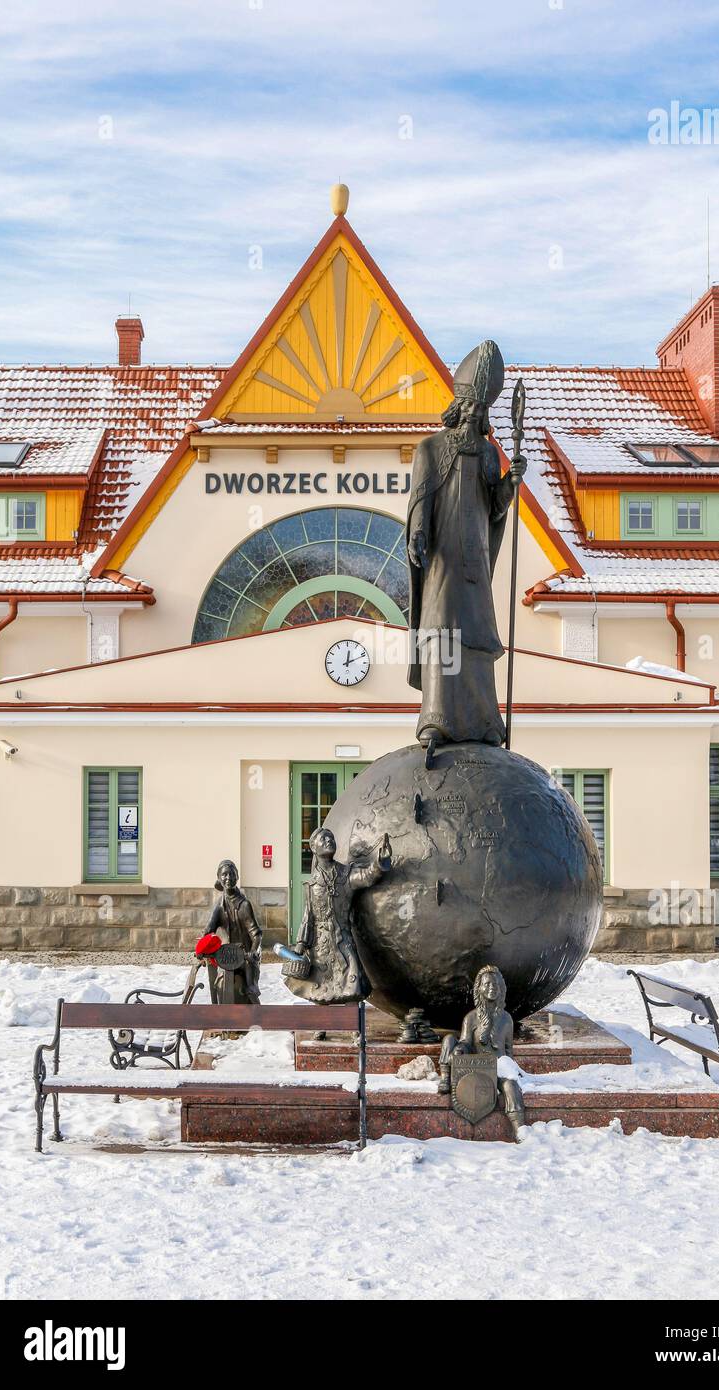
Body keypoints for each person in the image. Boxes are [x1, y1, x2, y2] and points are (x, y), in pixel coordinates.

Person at [406, 340, 526, 755]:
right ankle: (436, 720)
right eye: (469, 409)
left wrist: (509, 486)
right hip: (442, 561)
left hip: (474, 557)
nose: (474, 415)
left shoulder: (491, 457)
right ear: (457, 408)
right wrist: (418, 534)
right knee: (441, 634)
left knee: (476, 637)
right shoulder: (430, 449)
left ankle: (484, 721)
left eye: (480, 411)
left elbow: (494, 510)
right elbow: (420, 500)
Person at [283, 828, 391, 1004]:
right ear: (313, 848)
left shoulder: (346, 874)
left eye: (331, 838)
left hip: (343, 938)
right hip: (320, 943)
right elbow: (307, 917)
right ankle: (322, 1027)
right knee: (319, 986)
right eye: (323, 838)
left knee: (352, 980)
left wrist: (380, 862)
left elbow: (367, 876)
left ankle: (355, 1026)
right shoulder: (311, 884)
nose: (328, 841)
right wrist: (301, 945)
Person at [438, 963, 525, 1136]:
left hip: (498, 1067)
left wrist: (511, 1070)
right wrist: (460, 1049)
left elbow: (508, 1051)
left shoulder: (507, 1019)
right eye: (487, 984)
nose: (492, 988)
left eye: (496, 985)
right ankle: (445, 1078)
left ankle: (520, 1130)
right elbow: (465, 1042)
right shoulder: (471, 1018)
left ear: (501, 989)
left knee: (510, 1087)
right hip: (476, 1065)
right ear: (480, 989)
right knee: (448, 1039)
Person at [205, 859, 263, 1005]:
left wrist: (253, 951)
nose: (228, 878)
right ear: (219, 878)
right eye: (224, 875)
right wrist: (203, 947)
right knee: (220, 985)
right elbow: (209, 930)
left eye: (232, 874)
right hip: (225, 956)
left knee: (250, 988)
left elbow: (256, 934)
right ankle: (223, 1018)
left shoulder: (244, 905)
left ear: (236, 877)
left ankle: (258, 1016)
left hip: (244, 957)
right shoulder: (219, 906)